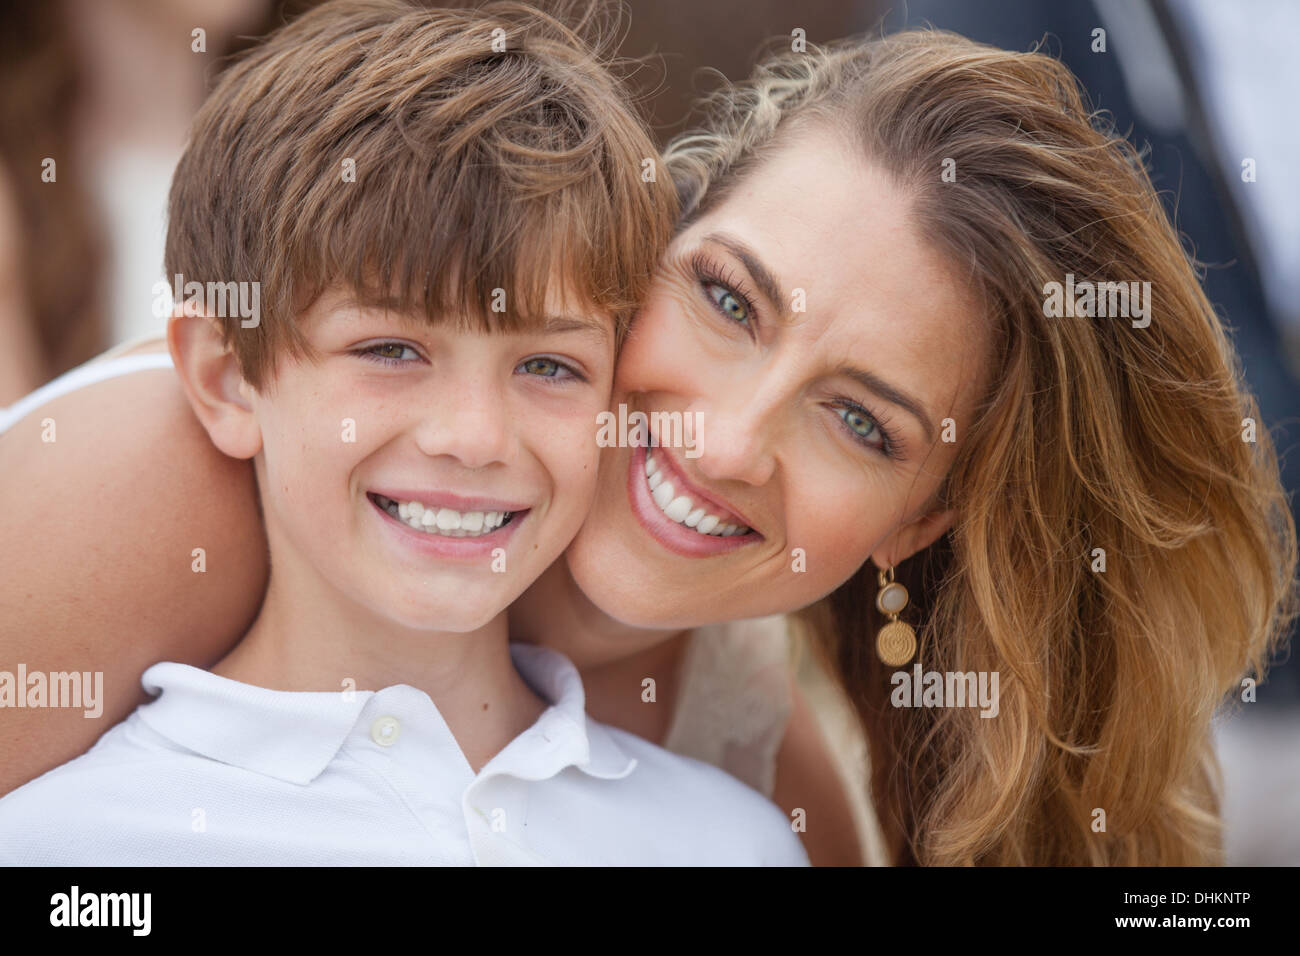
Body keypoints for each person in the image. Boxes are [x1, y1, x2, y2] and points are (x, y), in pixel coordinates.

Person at [4, 23, 1295, 865]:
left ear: (921, 523)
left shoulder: (745, 786)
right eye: (729, 300)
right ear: (639, 255)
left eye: (861, 421)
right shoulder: (166, 487)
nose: (729, 438)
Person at [0, 0, 810, 867]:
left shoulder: (734, 842)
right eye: (390, 349)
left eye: (547, 367)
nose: (473, 437)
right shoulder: (69, 846)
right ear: (226, 377)